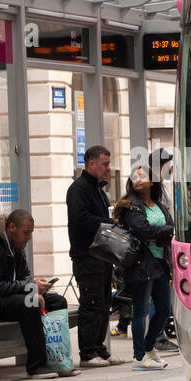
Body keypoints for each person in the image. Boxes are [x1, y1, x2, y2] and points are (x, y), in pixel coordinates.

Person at [0, 209, 78, 378]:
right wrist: (30, 287)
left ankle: (58, 359)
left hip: (1, 297)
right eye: (26, 232)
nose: (29, 237)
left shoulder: (16, 245)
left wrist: (35, 288)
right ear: (11, 228)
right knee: (29, 305)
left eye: (31, 232)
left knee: (57, 302)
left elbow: (24, 275)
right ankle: (36, 366)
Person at [112, 166, 174, 371]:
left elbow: (171, 227)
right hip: (140, 264)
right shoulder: (131, 206)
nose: (138, 180)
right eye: (134, 177)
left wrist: (159, 233)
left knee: (164, 309)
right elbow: (142, 230)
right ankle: (139, 357)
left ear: (153, 181)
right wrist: (162, 233)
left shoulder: (159, 205)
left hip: (160, 263)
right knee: (141, 310)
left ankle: (148, 348)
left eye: (143, 176)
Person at [66, 145, 120, 368]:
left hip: (102, 254)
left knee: (104, 302)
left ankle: (99, 348)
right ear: (91, 164)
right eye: (105, 164)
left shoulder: (99, 189)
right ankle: (87, 352)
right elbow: (81, 219)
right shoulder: (79, 189)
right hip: (87, 255)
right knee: (92, 302)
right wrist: (108, 224)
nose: (108, 168)